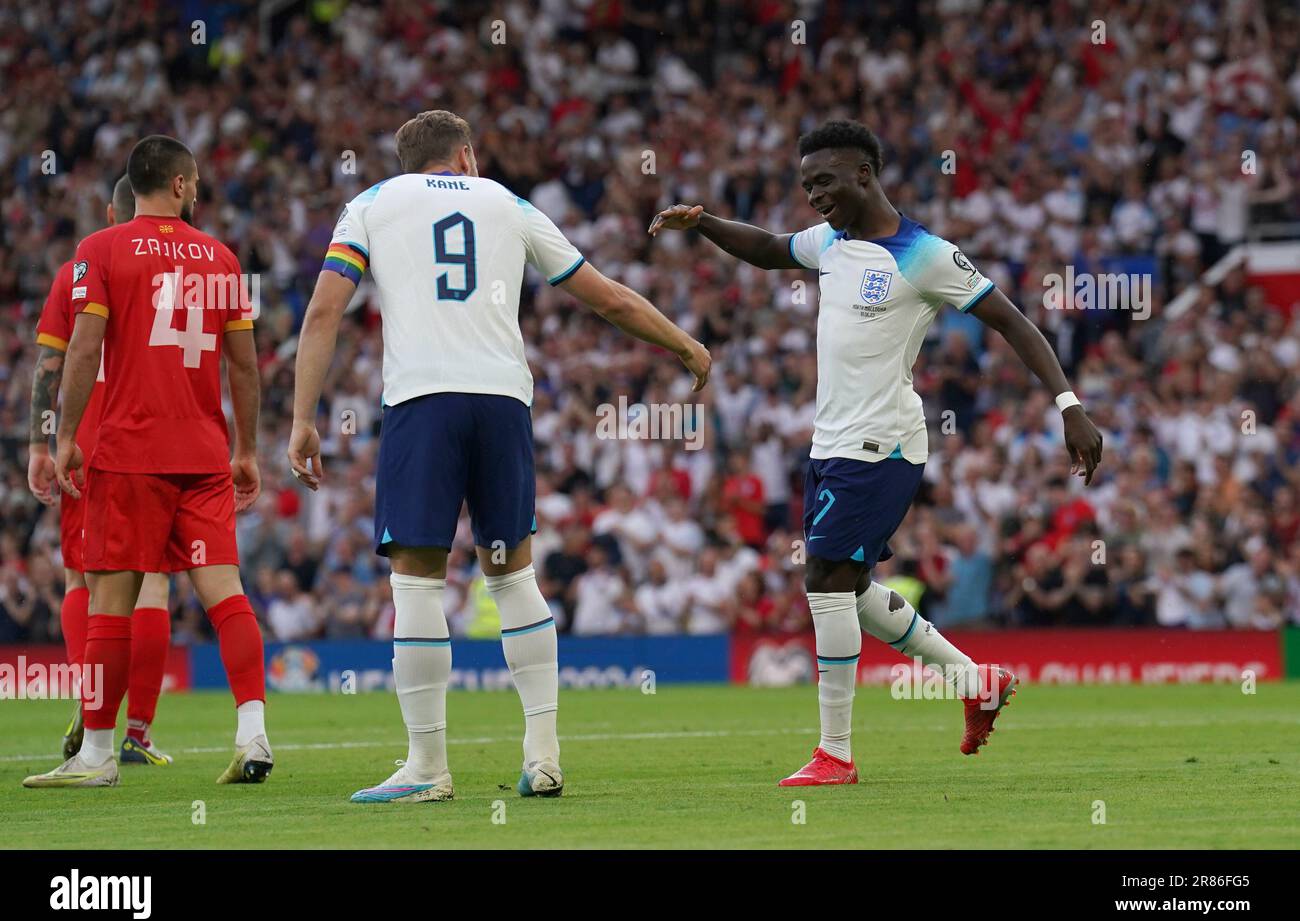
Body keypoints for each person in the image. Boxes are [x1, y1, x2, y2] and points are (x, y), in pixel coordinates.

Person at [650, 119, 1104, 786]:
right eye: (807, 183)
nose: (815, 194)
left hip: (881, 446)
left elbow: (1013, 320)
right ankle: (975, 680)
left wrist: (1069, 406)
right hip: (831, 444)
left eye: (825, 180)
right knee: (853, 590)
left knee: (824, 581)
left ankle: (835, 753)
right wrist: (707, 223)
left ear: (864, 174)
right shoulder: (832, 243)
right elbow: (773, 248)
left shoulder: (925, 254)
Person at [289, 109, 709, 803]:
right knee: (514, 577)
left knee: (418, 582)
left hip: (424, 401)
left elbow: (324, 311)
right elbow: (605, 298)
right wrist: (685, 344)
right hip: (502, 403)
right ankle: (543, 757)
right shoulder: (508, 203)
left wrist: (305, 419)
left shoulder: (371, 203)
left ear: (410, 162)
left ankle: (427, 767)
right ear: (466, 155)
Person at [23, 135, 272, 789]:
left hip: (130, 451)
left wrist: (63, 436)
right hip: (203, 452)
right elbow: (244, 364)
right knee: (225, 592)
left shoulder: (100, 250)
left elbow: (79, 352)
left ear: (131, 189)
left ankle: (99, 754)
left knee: (109, 596)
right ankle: (253, 734)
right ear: (182, 186)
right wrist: (246, 448)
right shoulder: (221, 258)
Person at [27, 174, 175, 766]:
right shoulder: (178, 268)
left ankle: (91, 713)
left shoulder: (77, 270)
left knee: (79, 579)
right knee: (153, 581)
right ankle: (137, 729)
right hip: (153, 432)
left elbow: (48, 364)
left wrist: (42, 443)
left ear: (113, 209)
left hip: (85, 436)